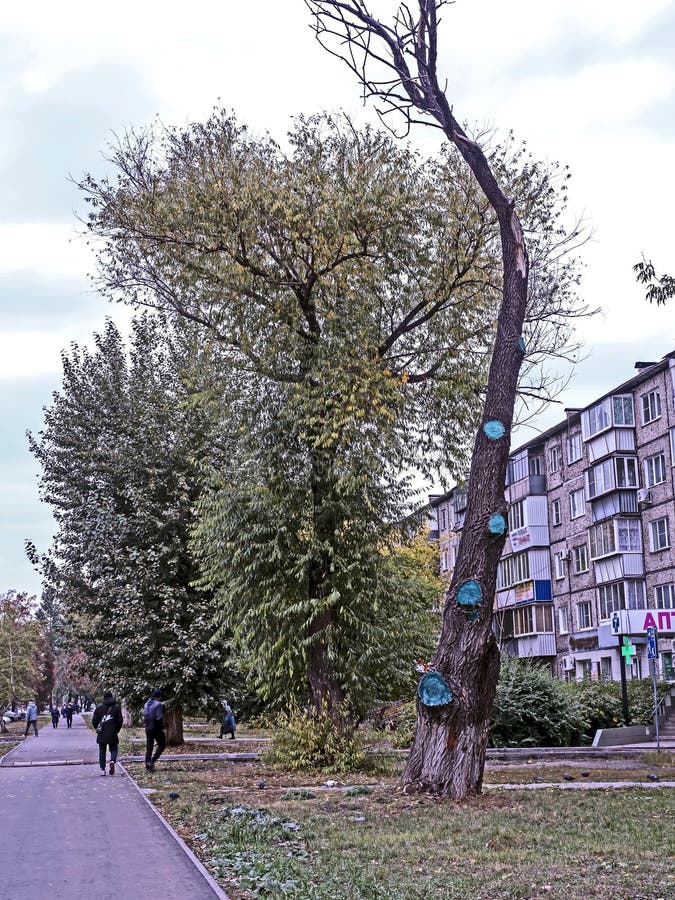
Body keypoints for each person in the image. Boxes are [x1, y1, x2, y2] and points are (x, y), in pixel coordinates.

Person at [92, 691, 123, 776]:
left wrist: (98, 728)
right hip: (113, 733)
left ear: (104, 698)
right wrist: (117, 730)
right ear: (112, 697)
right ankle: (112, 760)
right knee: (114, 749)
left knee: (102, 751)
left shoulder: (99, 708)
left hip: (102, 733)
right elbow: (120, 721)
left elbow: (94, 721)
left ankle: (102, 769)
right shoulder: (117, 708)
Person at [143, 689, 166, 772]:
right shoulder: (158, 704)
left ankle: (147, 765)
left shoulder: (146, 704)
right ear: (159, 697)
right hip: (156, 727)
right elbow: (159, 717)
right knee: (162, 745)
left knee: (149, 747)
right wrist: (162, 727)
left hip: (148, 727)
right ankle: (152, 761)